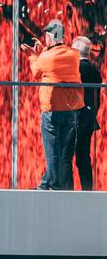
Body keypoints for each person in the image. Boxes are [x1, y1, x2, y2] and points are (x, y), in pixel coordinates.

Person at [29, 20, 83, 191]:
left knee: (52, 152)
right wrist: (44, 50)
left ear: (50, 37)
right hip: (71, 110)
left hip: (51, 111)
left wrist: (32, 55)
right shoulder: (73, 54)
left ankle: (54, 185)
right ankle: (46, 183)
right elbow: (53, 61)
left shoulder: (46, 56)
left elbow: (36, 72)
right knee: (62, 153)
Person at [73, 36, 100, 191]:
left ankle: (65, 189)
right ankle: (87, 190)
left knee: (66, 156)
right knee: (84, 156)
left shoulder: (75, 69)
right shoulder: (95, 71)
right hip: (89, 118)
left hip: (76, 116)